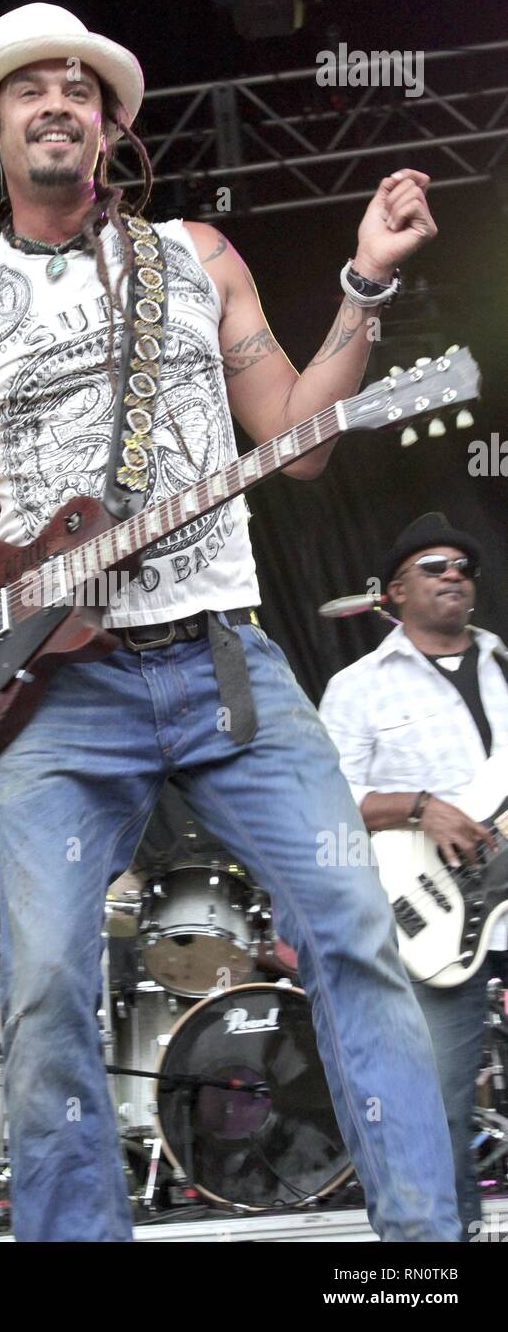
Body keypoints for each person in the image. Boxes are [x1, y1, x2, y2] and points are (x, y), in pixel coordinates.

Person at [0, 2, 459, 1241]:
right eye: (27, 91)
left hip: (227, 662)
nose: (55, 101)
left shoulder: (194, 255)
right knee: (47, 987)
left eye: (78, 87)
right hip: (61, 693)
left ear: (109, 125)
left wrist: (364, 283)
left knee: (352, 938)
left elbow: (299, 445)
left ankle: (424, 1252)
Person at [320, 512, 508, 1239]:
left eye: (462, 564)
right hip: (434, 918)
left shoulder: (501, 661)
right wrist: (421, 806)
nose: (454, 572)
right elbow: (326, 803)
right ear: (394, 592)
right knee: (439, 1106)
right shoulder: (357, 687)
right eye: (433, 565)